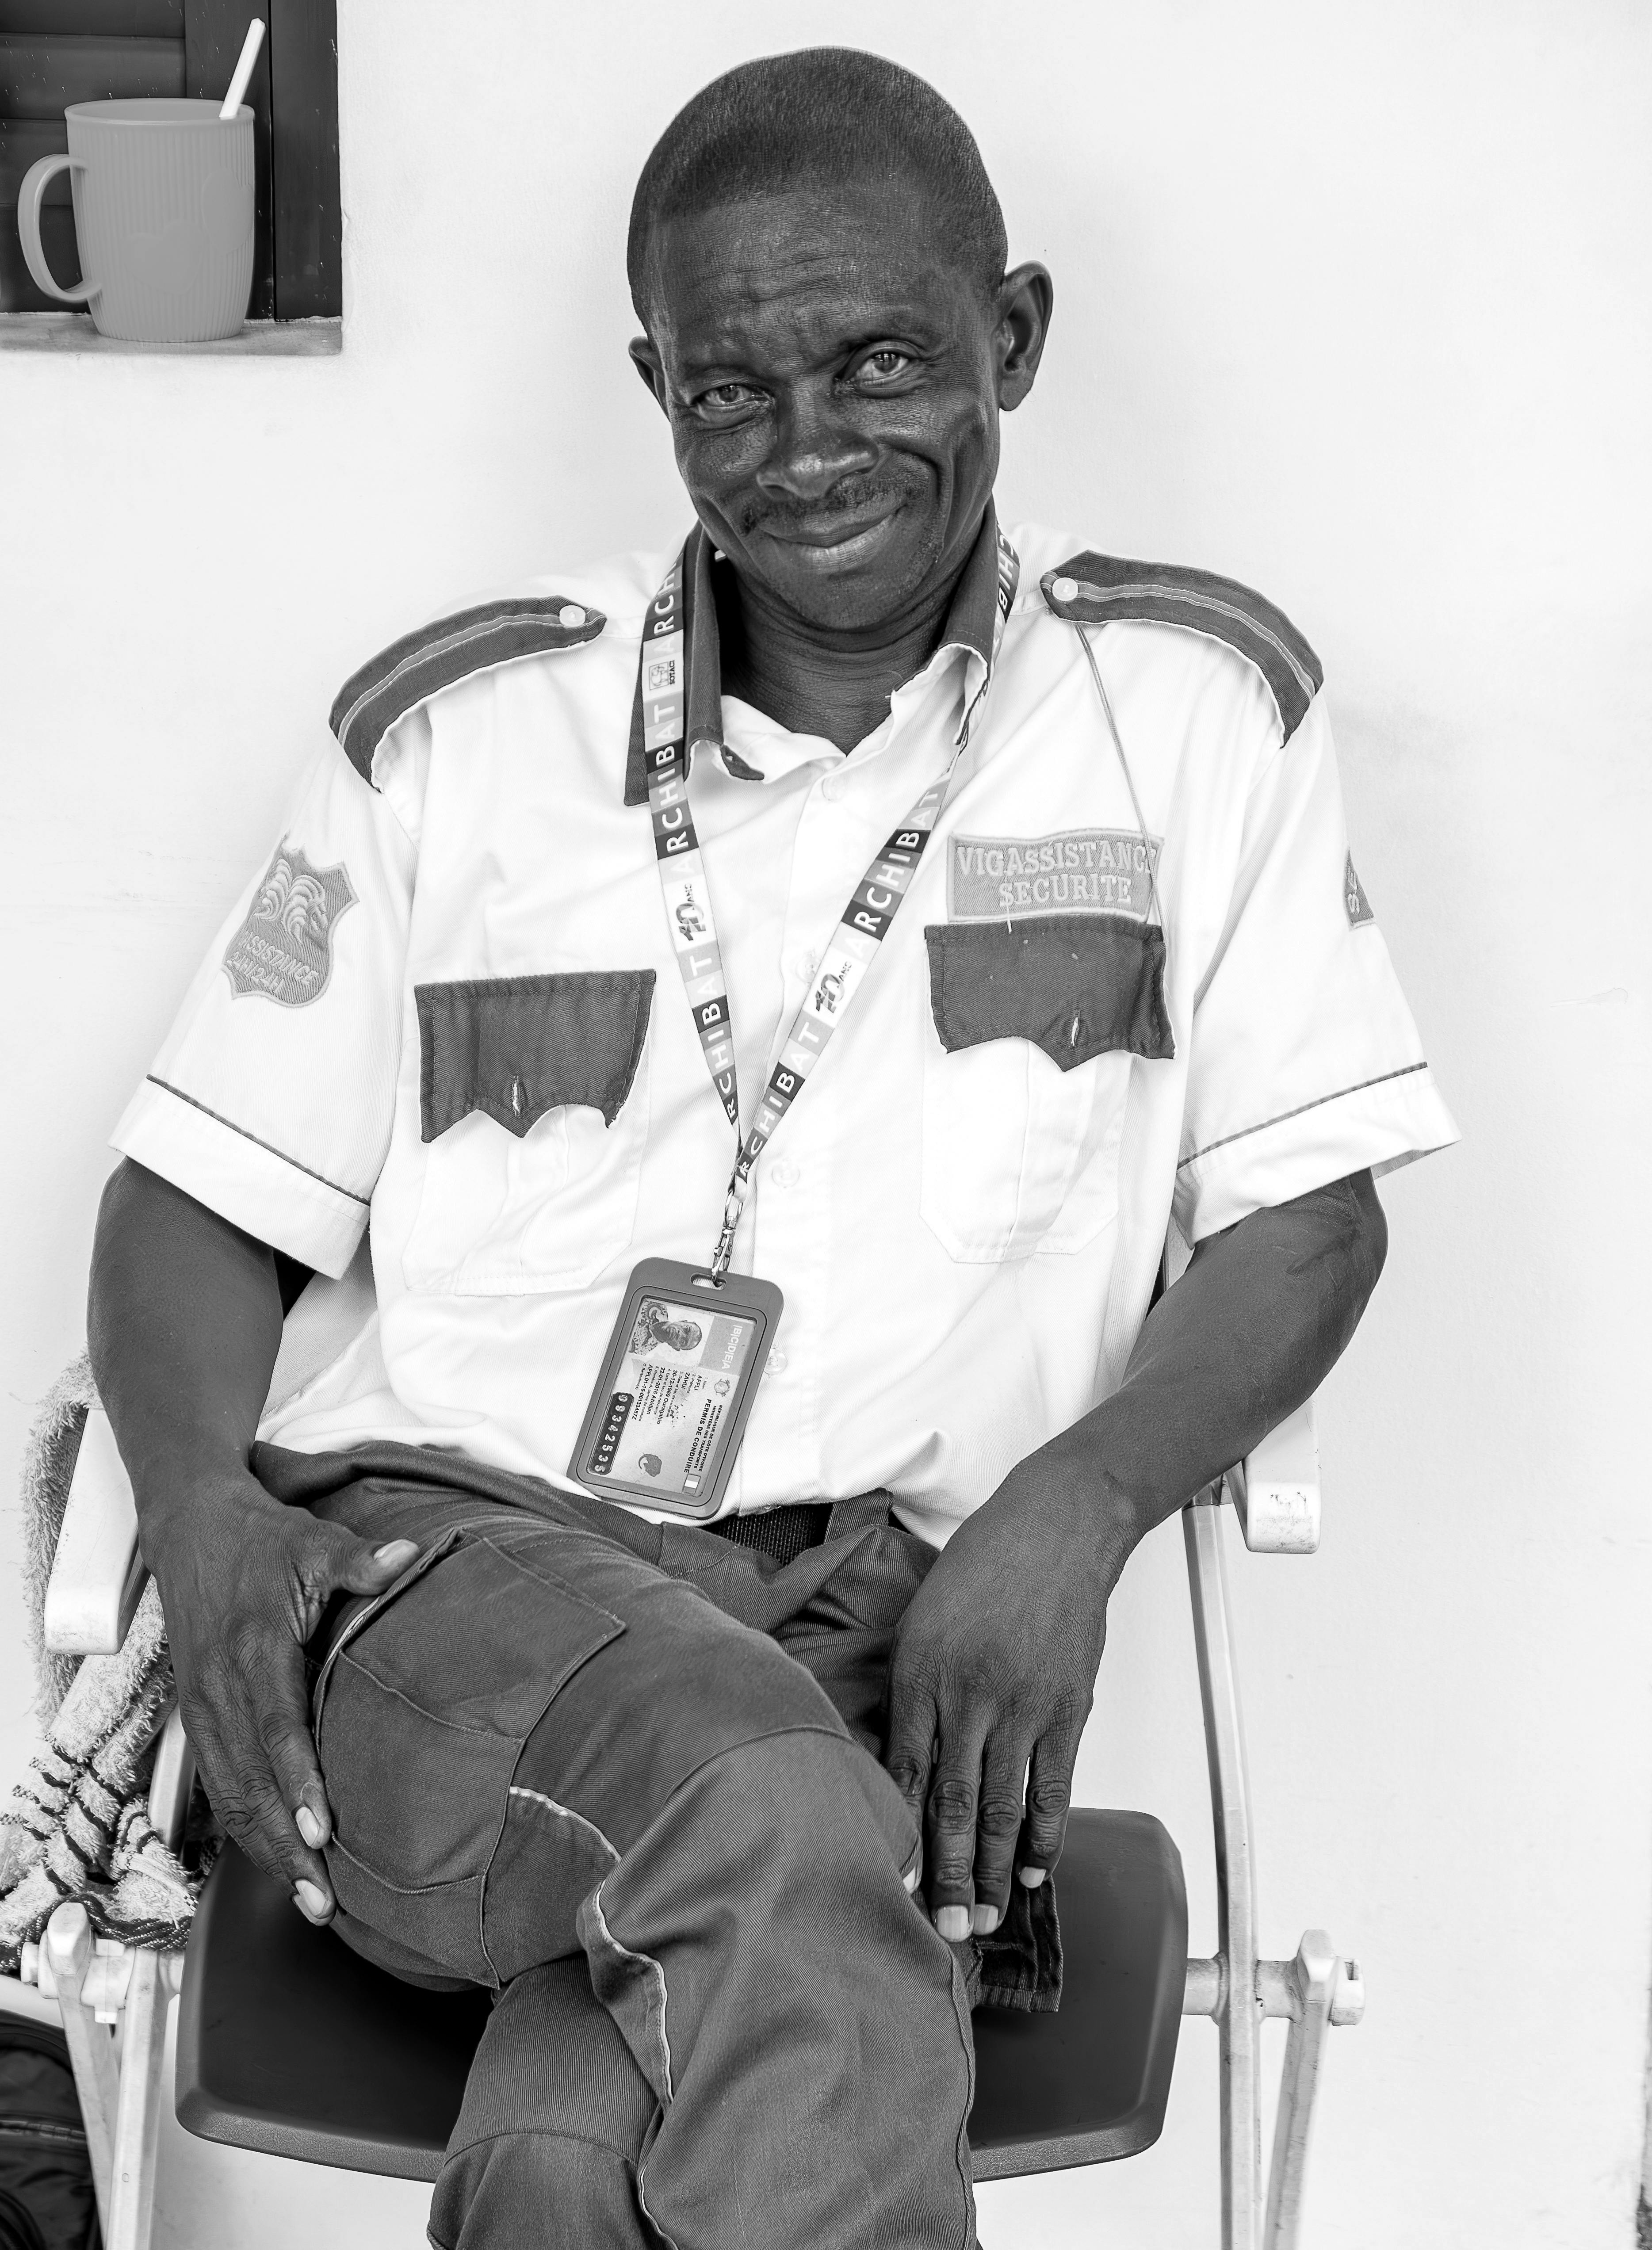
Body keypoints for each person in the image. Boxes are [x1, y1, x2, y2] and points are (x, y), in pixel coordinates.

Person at [84, 47, 1457, 2250]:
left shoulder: (1195, 717)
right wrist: (200, 1522)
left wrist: (1076, 1503)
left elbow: (1307, 1212)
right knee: (758, 1814)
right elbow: (189, 1199)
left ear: (1011, 337)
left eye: (882, 361)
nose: (806, 450)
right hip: (449, 1590)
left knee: (567, 2167)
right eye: (729, 392)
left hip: (877, 1642)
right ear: (655, 387)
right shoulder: (461, 736)